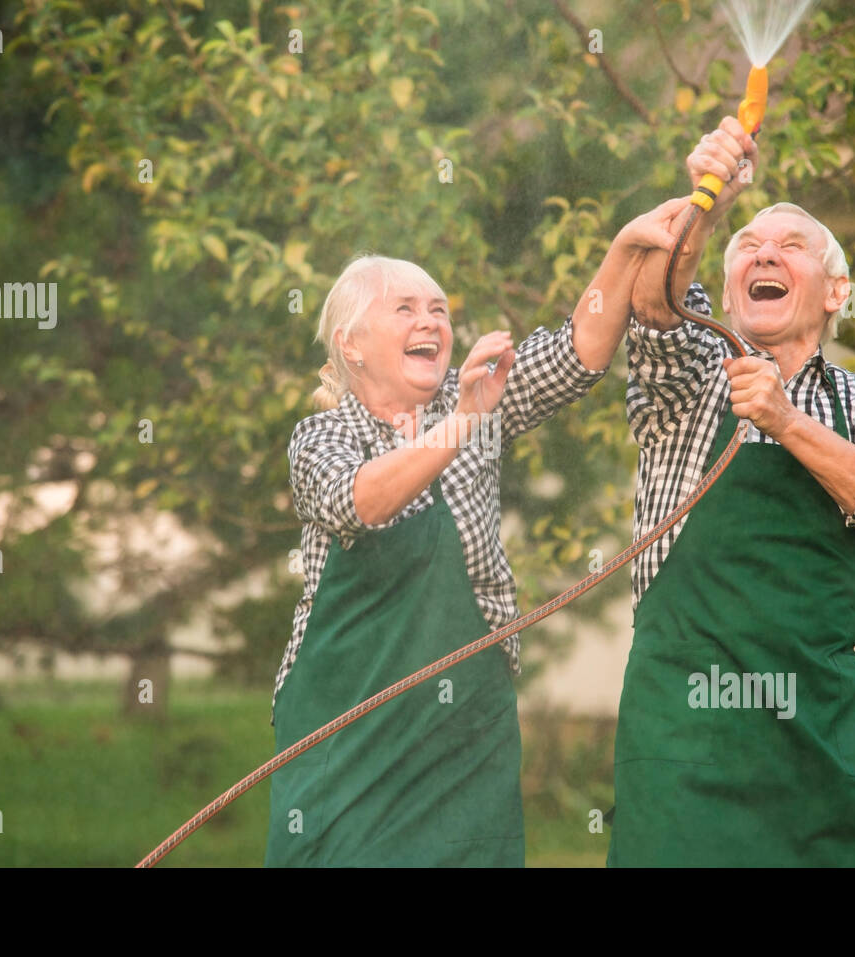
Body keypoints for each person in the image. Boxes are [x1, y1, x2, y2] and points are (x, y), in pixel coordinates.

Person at [266, 199, 702, 866]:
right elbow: (362, 501)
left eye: (438, 309)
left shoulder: (474, 399)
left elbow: (578, 352)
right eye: (405, 308)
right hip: (344, 738)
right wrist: (465, 420)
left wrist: (622, 252)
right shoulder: (323, 436)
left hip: (463, 733)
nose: (430, 321)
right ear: (351, 344)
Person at [608, 117, 855, 866]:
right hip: (687, 733)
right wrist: (710, 200)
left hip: (823, 721)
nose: (765, 253)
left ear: (835, 291)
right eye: (747, 249)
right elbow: (656, 302)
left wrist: (785, 420)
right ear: (725, 294)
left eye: (791, 246)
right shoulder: (688, 377)